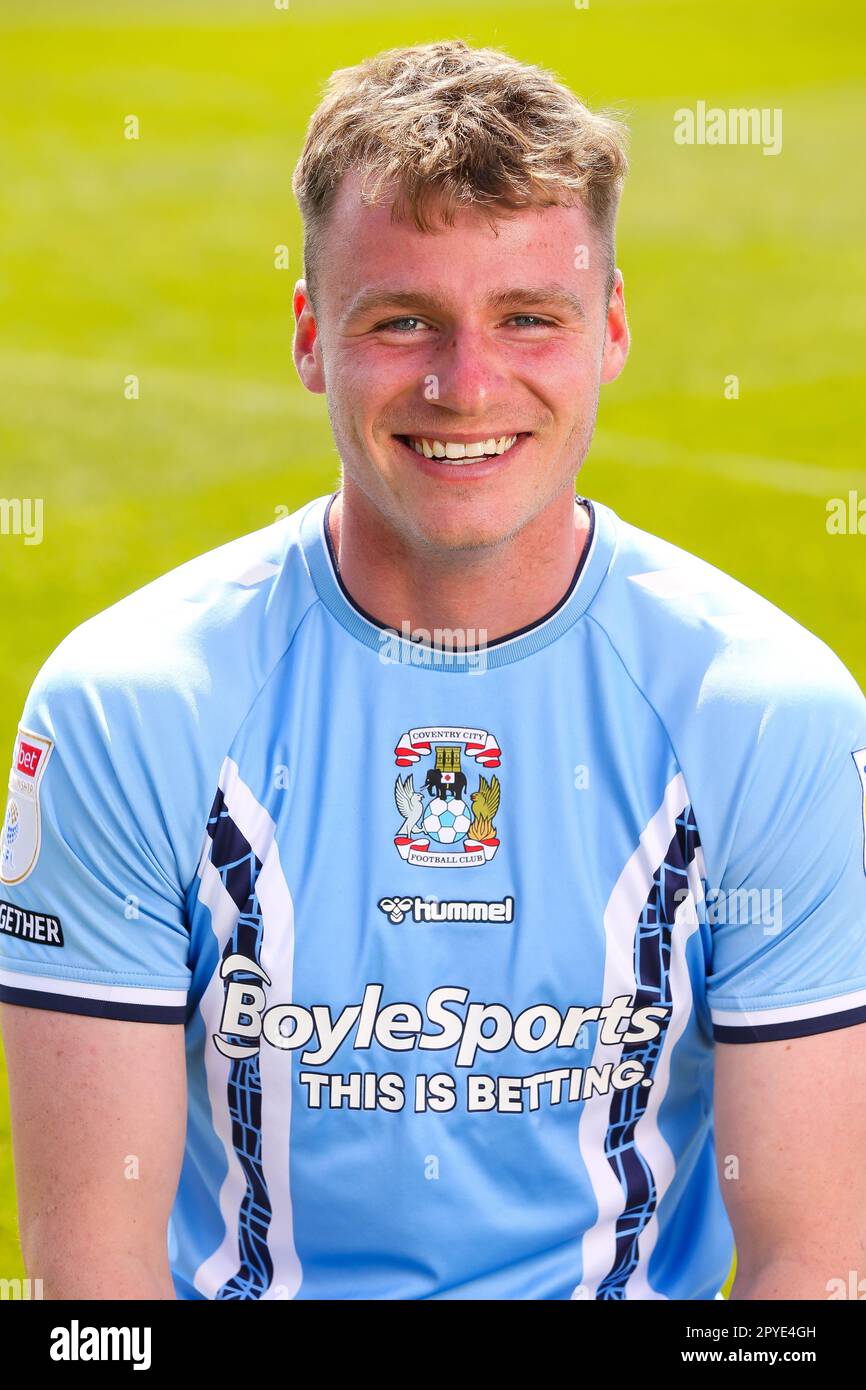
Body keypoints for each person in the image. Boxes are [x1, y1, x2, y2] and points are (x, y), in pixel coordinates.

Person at [2, 38, 866, 1302]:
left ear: (609, 328)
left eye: (529, 317)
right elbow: (90, 1305)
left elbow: (810, 1274)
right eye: (402, 321)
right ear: (311, 337)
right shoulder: (127, 706)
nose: (466, 386)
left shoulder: (770, 715)